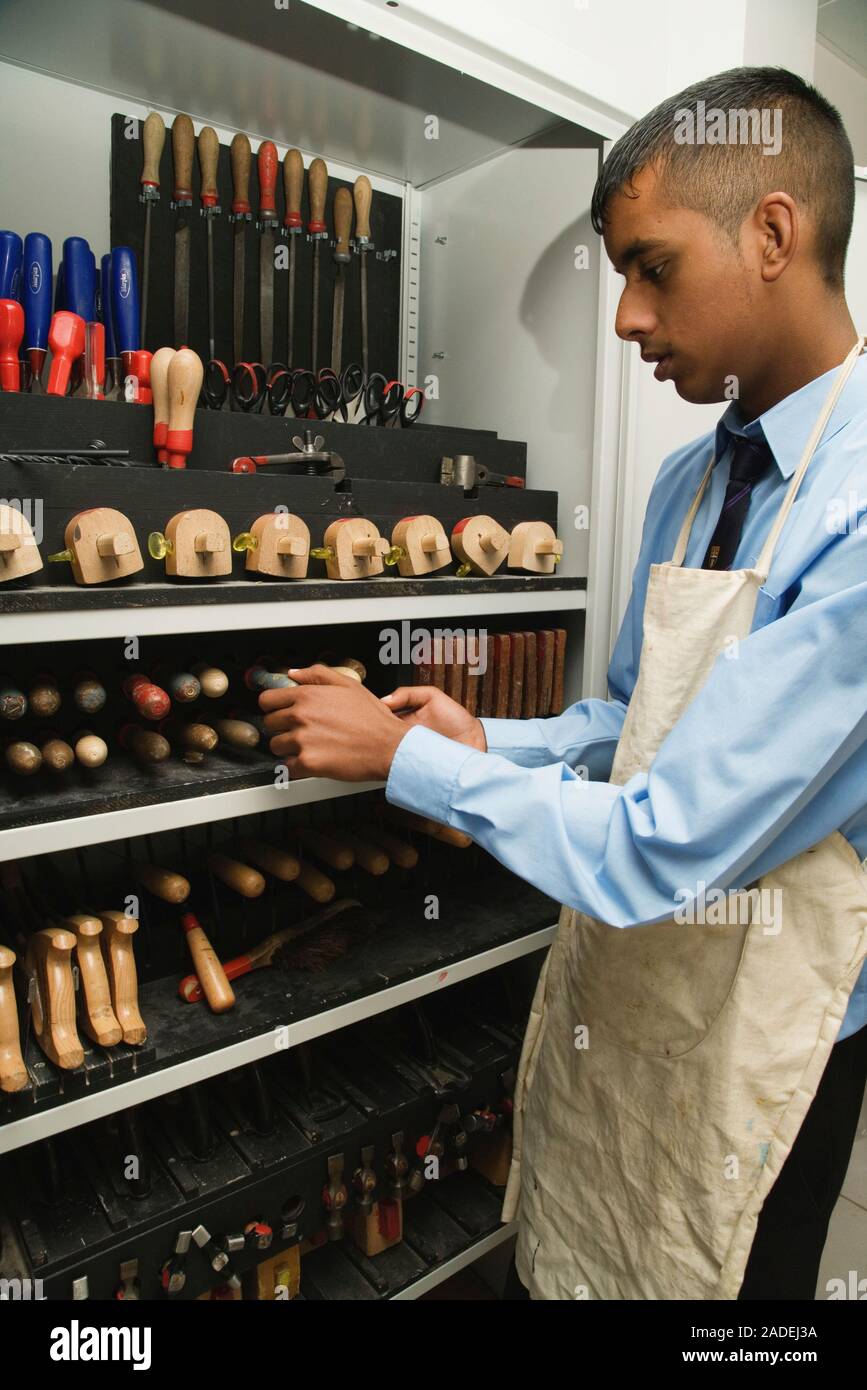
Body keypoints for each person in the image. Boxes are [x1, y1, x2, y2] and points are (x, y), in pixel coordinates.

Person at [260, 67, 867, 1301]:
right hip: (640, 989)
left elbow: (667, 844)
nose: (627, 319)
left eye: (651, 267)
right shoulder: (688, 483)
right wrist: (497, 733)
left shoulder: (859, 514)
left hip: (773, 1034)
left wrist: (416, 766)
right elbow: (631, 728)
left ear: (771, 234)